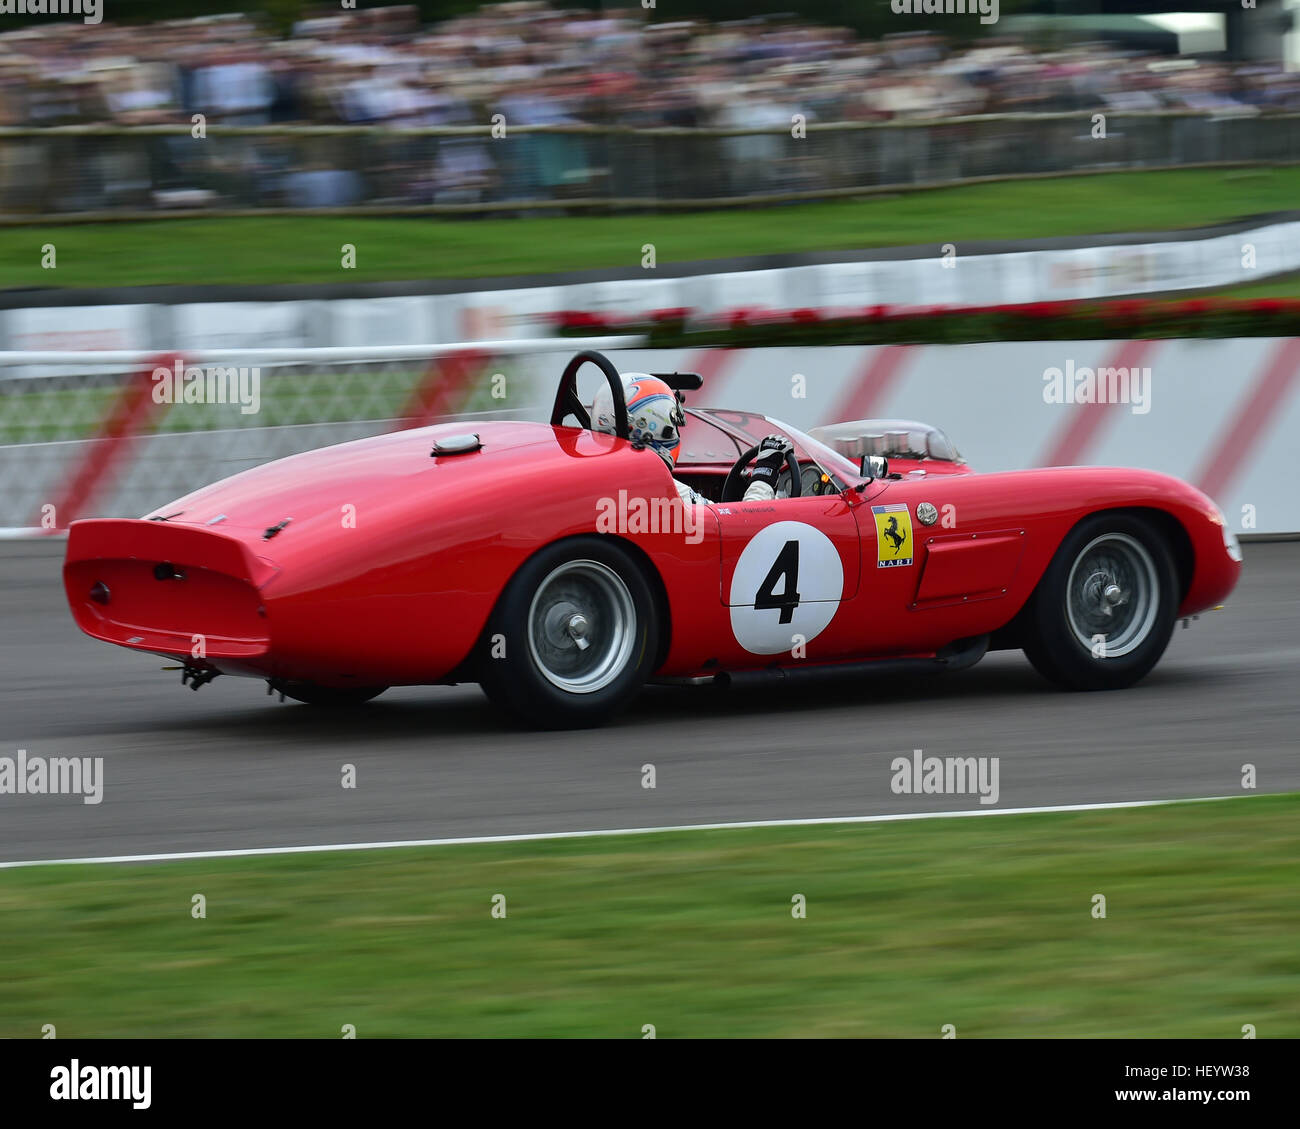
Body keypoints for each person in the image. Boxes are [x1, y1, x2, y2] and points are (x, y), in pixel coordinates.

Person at [591, 374, 794, 505]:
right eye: (671, 427)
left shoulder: (602, 473)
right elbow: (745, 524)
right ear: (650, 427)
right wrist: (764, 473)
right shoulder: (663, 488)